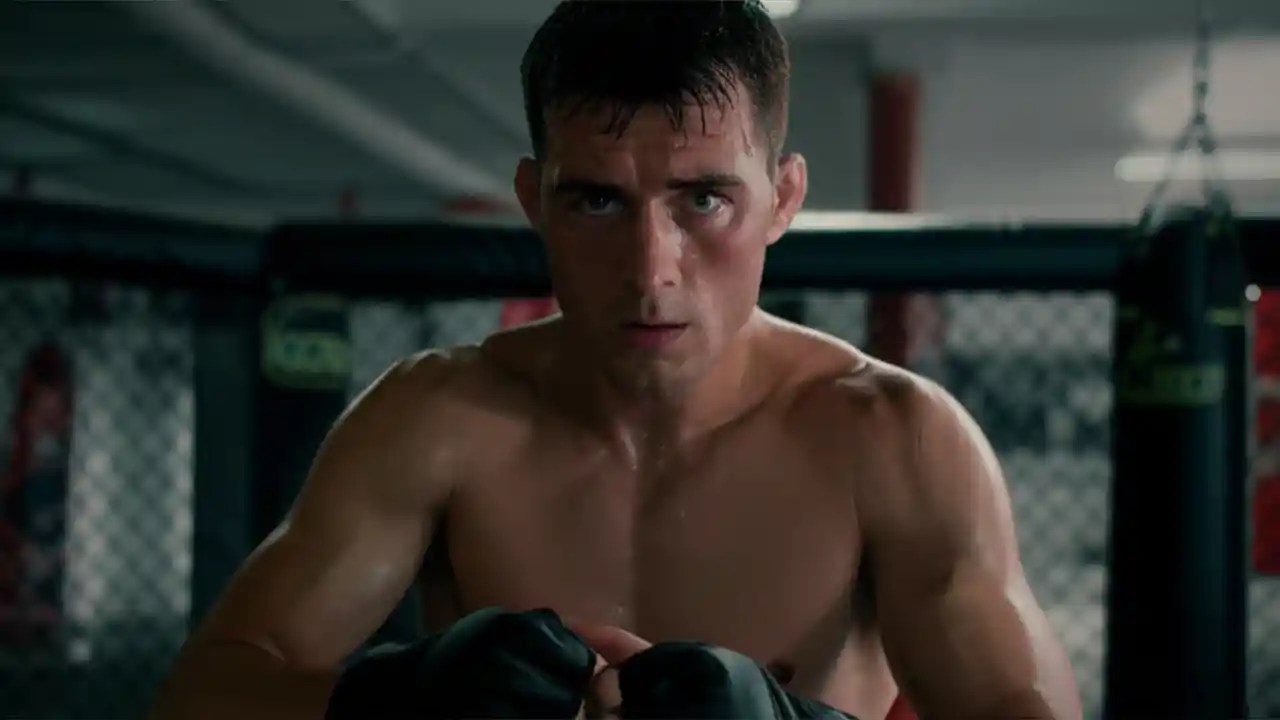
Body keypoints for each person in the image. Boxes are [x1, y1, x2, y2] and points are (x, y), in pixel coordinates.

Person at [150, 1, 1082, 718]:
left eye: (703, 200)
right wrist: (393, 704)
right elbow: (213, 690)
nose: (650, 270)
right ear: (533, 199)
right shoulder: (436, 419)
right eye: (597, 203)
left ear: (783, 199)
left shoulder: (893, 438)